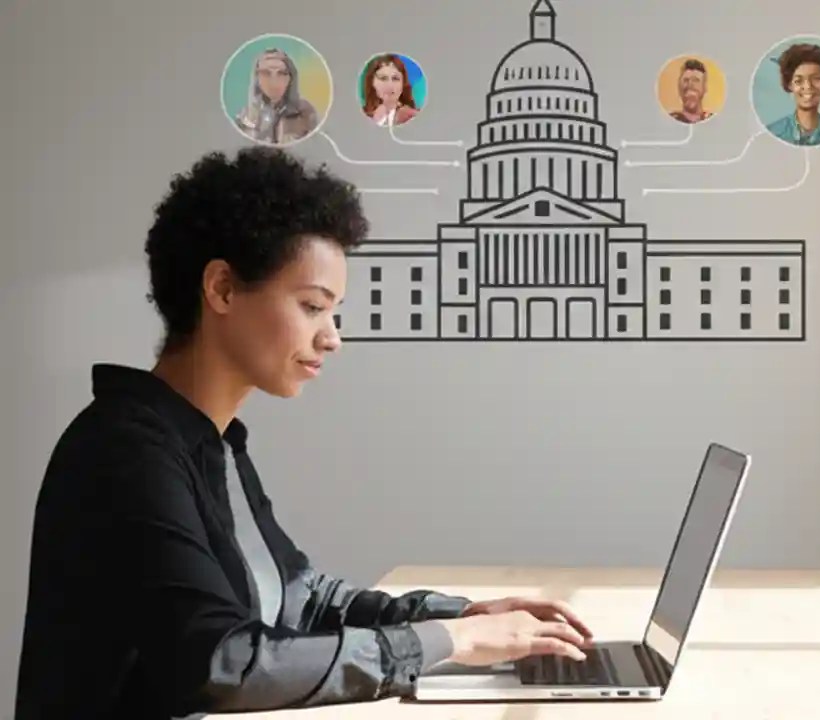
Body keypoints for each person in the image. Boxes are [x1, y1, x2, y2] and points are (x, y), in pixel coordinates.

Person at [14, 146, 593, 719]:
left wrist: (460, 617)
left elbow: (301, 595)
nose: (332, 336)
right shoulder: (125, 451)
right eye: (313, 306)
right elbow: (223, 664)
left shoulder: (211, 441)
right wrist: (449, 644)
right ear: (221, 289)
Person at [764, 43, 820, 147]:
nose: (808, 86)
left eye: (816, 79)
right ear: (789, 85)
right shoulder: (773, 133)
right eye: (798, 81)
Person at [234, 48, 320, 144]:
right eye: (266, 73)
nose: (274, 82)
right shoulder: (245, 117)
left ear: (291, 78)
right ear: (257, 79)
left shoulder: (305, 114)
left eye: (282, 73)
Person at [362, 53, 421, 127]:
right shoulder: (358, 115)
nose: (390, 85)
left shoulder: (414, 116)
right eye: (383, 78)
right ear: (372, 82)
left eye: (395, 79)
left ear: (403, 84)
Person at [669, 58, 714, 124]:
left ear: (704, 88)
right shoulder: (669, 120)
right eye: (686, 80)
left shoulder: (714, 121)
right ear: (679, 87)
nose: (690, 84)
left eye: (696, 80)